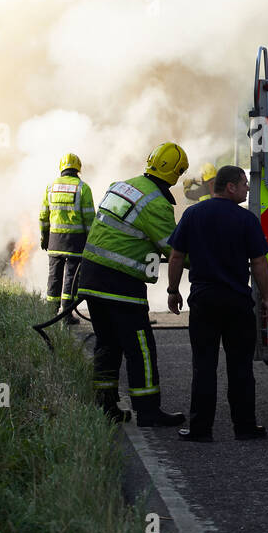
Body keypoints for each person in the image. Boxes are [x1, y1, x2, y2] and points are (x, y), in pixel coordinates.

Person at [77, 142, 188, 427]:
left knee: (108, 343)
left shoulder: (121, 186)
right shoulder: (157, 204)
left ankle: (106, 406)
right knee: (140, 346)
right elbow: (175, 251)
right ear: (177, 173)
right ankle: (148, 411)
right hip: (120, 283)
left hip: (91, 276)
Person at [166, 165, 268, 442]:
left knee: (204, 366)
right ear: (230, 187)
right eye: (244, 183)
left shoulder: (193, 215)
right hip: (237, 303)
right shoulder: (246, 220)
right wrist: (267, 297)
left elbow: (176, 256)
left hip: (204, 302)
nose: (248, 188)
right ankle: (245, 427)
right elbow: (259, 262)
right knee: (240, 367)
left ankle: (200, 430)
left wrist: (173, 290)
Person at [39, 153, 95, 324]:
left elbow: (43, 215)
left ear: (62, 168)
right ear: (78, 169)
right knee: (71, 278)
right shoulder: (82, 188)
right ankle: (67, 315)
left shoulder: (51, 187)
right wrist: (90, 241)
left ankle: (50, 314)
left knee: (54, 277)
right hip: (75, 243)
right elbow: (89, 218)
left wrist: (44, 236)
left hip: (54, 241)